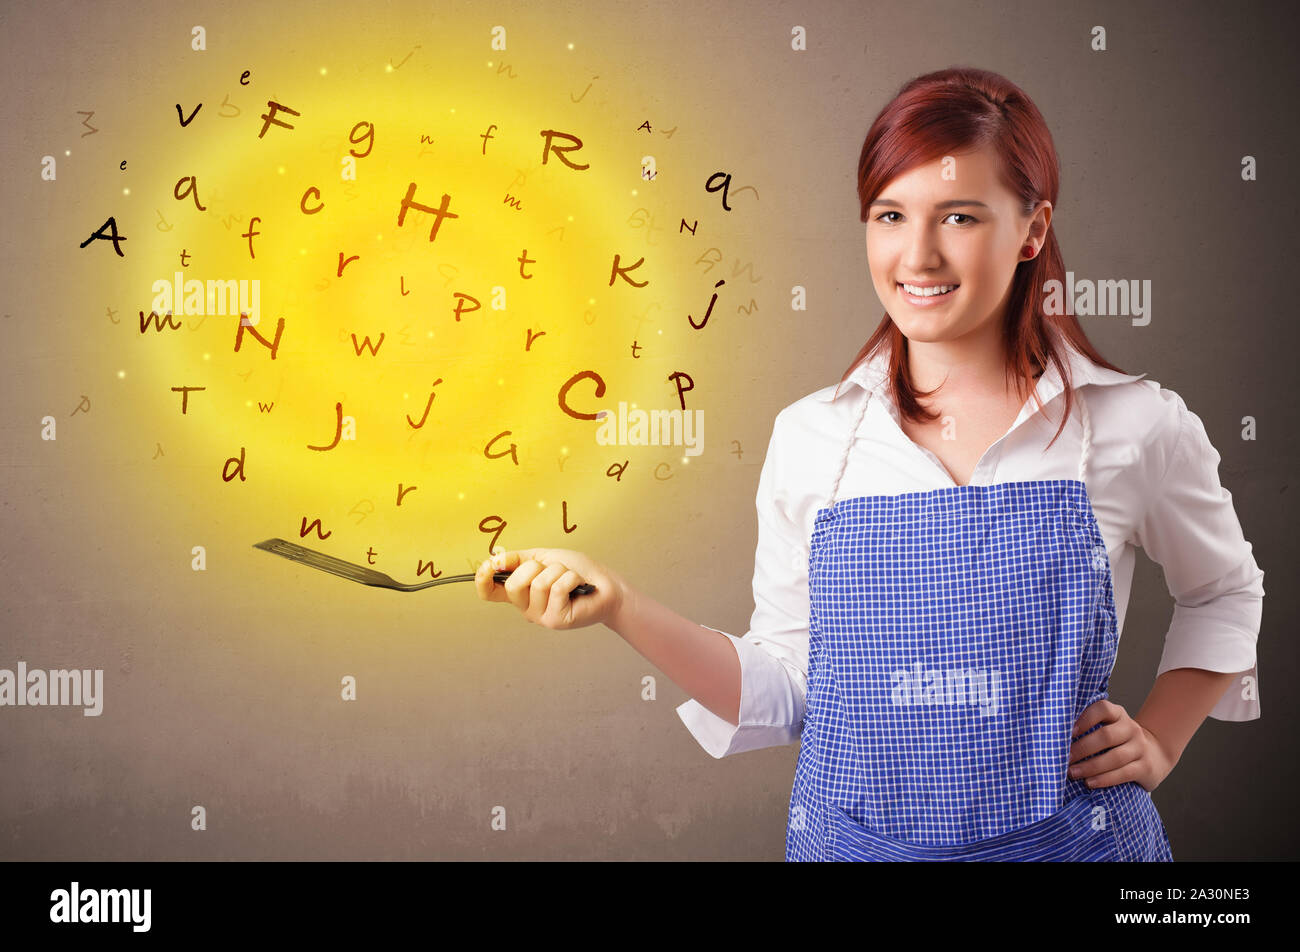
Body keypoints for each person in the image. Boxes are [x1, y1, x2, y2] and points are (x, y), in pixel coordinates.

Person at [474, 66, 1265, 862]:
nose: (917, 255)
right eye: (890, 215)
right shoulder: (813, 438)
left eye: (958, 216)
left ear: (1032, 230)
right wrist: (617, 605)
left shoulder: (1133, 424)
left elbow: (1225, 590)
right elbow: (786, 691)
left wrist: (1160, 741)